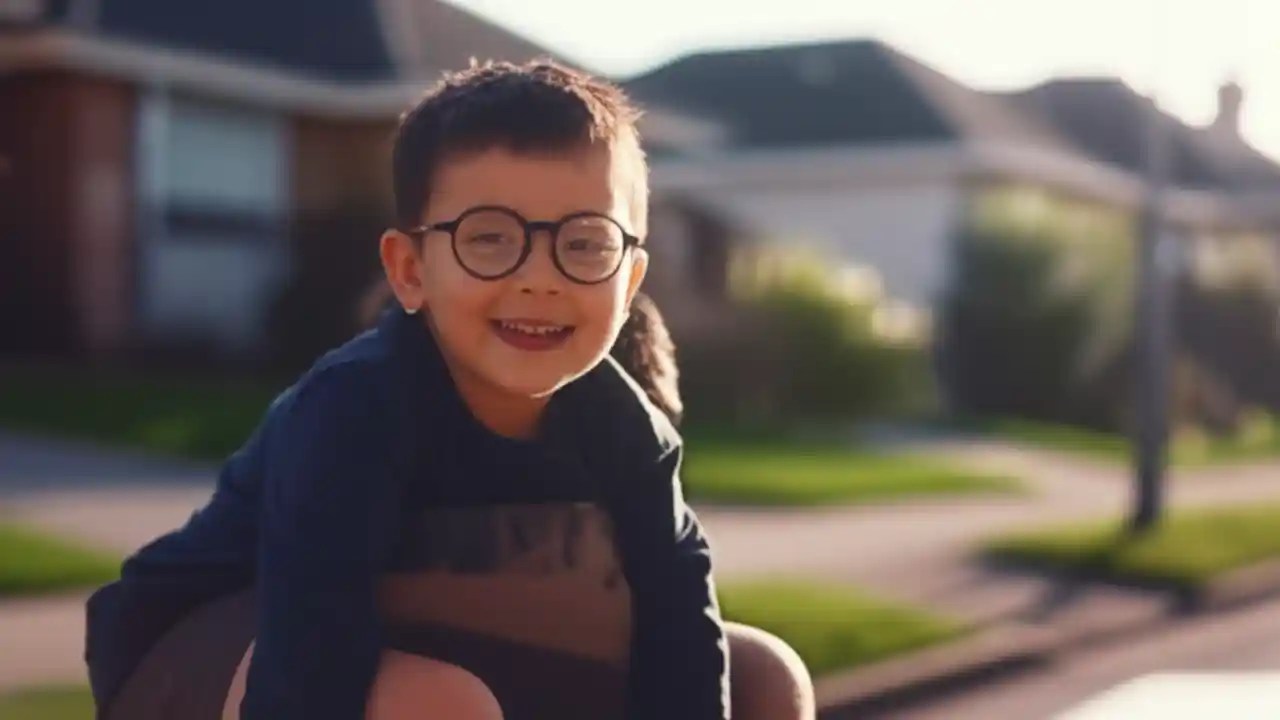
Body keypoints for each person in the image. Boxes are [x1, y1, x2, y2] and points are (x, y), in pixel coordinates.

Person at [85, 59, 812, 720]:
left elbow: (678, 622)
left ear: (629, 282)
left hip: (438, 647)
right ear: (409, 271)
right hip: (217, 651)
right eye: (489, 237)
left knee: (763, 677)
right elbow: (309, 663)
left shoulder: (628, 430)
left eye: (585, 241)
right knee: (436, 703)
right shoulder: (355, 412)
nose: (540, 275)